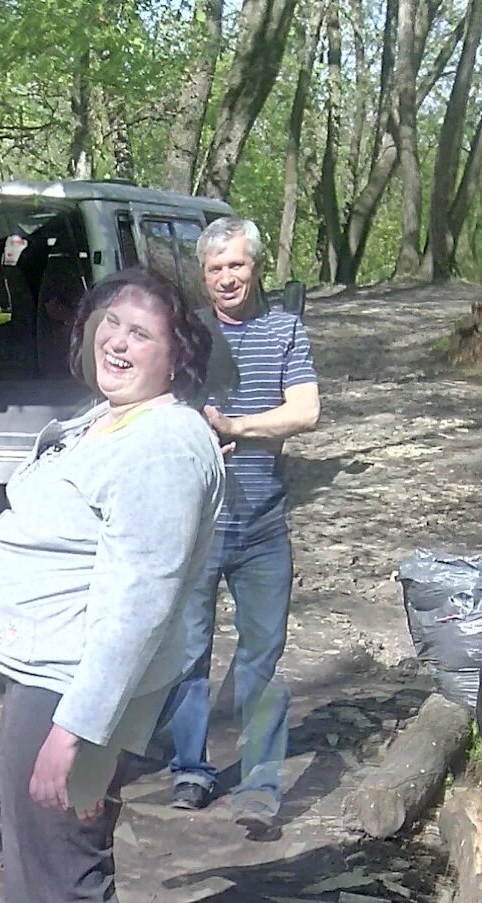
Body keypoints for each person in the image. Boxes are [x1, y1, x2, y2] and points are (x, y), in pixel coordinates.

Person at [0, 268, 225, 903]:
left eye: (141, 334)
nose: (118, 342)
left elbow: (141, 597)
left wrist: (80, 726)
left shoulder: (165, 443)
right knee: (26, 848)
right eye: (109, 324)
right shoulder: (104, 423)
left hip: (78, 685)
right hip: (44, 671)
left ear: (176, 355)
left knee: (69, 871)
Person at [165, 216, 320, 823]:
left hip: (262, 526)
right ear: (202, 277)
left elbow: (305, 411)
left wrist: (237, 430)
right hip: (196, 526)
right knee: (188, 655)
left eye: (237, 265)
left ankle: (258, 781)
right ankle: (191, 769)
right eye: (215, 268)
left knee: (263, 651)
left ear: (256, 268)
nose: (227, 278)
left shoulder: (285, 330)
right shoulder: (187, 338)